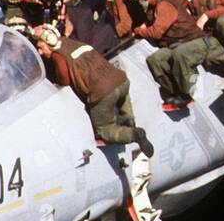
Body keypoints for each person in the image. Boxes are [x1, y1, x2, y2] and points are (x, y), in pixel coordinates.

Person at [30, 24, 153, 158]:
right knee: (122, 99)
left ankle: (134, 134)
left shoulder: (58, 56)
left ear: (50, 42)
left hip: (103, 92)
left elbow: (64, 80)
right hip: (121, 80)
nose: (41, 53)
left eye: (40, 47)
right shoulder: (71, 43)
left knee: (104, 130)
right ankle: (129, 121)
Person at [134, 0, 222, 112]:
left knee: (180, 55)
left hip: (194, 42)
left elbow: (156, 32)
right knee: (155, 59)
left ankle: (187, 92)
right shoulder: (153, 5)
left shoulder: (164, 4)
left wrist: (139, 31)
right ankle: (175, 92)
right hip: (176, 45)